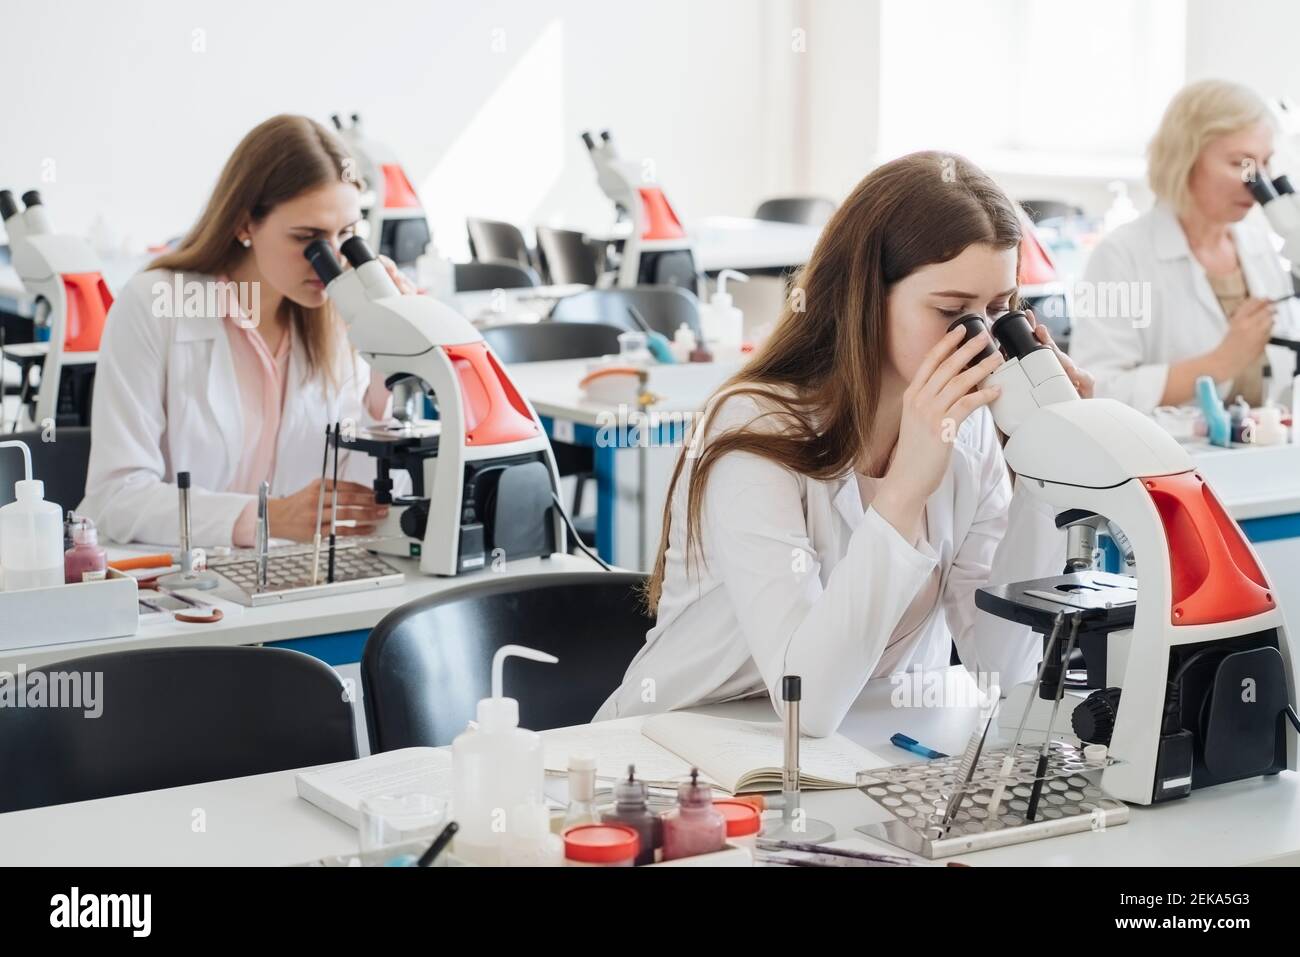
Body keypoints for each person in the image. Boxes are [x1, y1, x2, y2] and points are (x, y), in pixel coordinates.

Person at [596, 152, 1092, 736]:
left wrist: (1042, 472)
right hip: (686, 755)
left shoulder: (973, 431)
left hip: (866, 752)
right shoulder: (754, 430)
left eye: (1000, 310)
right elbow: (807, 702)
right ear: (864, 297)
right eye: (954, 312)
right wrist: (905, 492)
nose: (982, 342)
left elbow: (1004, 670)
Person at [80, 114, 415, 546]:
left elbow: (364, 506)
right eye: (307, 238)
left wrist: (382, 385)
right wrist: (264, 517)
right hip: (181, 586)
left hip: (298, 581)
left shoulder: (343, 317)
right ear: (244, 224)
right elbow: (115, 498)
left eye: (346, 235)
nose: (330, 261)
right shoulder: (154, 304)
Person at [1072, 79, 1299, 415]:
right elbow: (1096, 389)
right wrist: (1221, 361)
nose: (1257, 183)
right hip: (1167, 459)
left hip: (1260, 453)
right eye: (1241, 163)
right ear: (1185, 159)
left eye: (1265, 164)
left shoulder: (1260, 247)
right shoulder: (1120, 256)